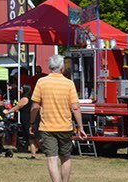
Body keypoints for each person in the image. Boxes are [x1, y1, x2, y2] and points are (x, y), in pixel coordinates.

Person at [31, 54, 86, 182]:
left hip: (47, 127)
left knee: (52, 158)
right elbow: (75, 107)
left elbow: (34, 106)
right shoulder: (69, 84)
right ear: (62, 68)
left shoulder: (41, 82)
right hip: (65, 127)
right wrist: (80, 127)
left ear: (50, 67)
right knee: (66, 157)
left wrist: (32, 122)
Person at [10, 84, 40, 159]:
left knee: (34, 137)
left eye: (21, 88)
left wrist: (7, 112)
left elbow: (16, 107)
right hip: (28, 119)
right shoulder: (30, 98)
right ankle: (33, 155)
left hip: (28, 119)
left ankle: (49, 152)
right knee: (32, 138)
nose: (20, 90)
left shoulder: (25, 99)